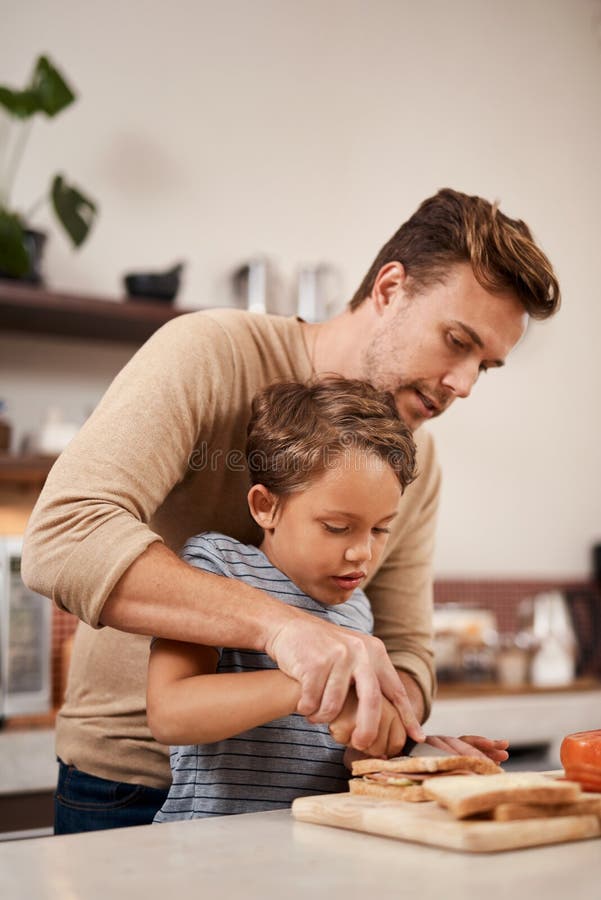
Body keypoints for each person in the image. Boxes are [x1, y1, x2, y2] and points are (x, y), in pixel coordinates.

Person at [21, 188, 559, 833]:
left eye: (486, 366)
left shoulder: (418, 461)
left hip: (314, 801)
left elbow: (406, 649)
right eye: (456, 340)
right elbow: (63, 536)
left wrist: (400, 740)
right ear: (390, 289)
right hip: (131, 790)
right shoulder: (209, 355)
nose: (464, 384)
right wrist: (285, 633)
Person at [148, 378, 508, 821]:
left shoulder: (355, 609)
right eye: (337, 527)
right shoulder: (217, 566)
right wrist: (316, 682)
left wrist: (417, 756)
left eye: (380, 529)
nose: (363, 552)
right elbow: (169, 713)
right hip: (210, 855)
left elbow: (352, 755)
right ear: (266, 507)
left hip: (314, 850)